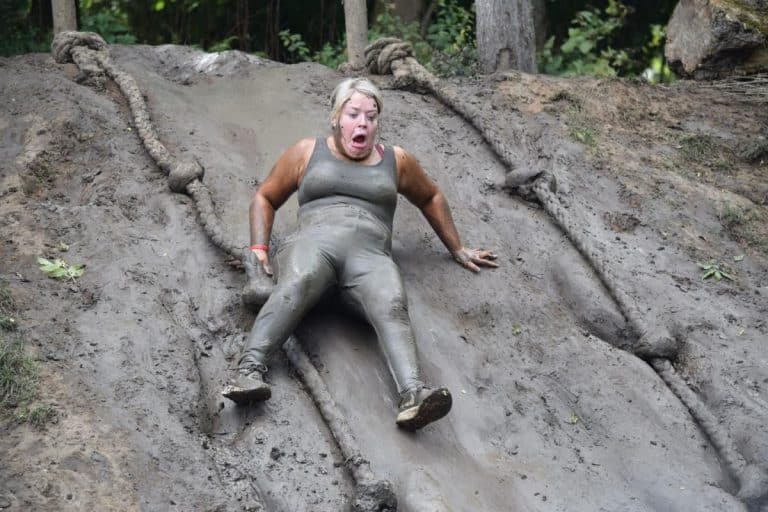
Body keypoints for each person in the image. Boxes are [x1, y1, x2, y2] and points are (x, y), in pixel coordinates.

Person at [222, 77, 497, 430]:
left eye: (371, 116)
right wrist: (259, 249)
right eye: (353, 114)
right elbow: (265, 197)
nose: (362, 124)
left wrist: (457, 248)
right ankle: (249, 372)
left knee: (391, 298)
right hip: (314, 243)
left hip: (369, 255)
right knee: (300, 279)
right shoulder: (307, 151)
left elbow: (430, 196)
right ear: (336, 117)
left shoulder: (396, 160)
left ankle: (413, 396)